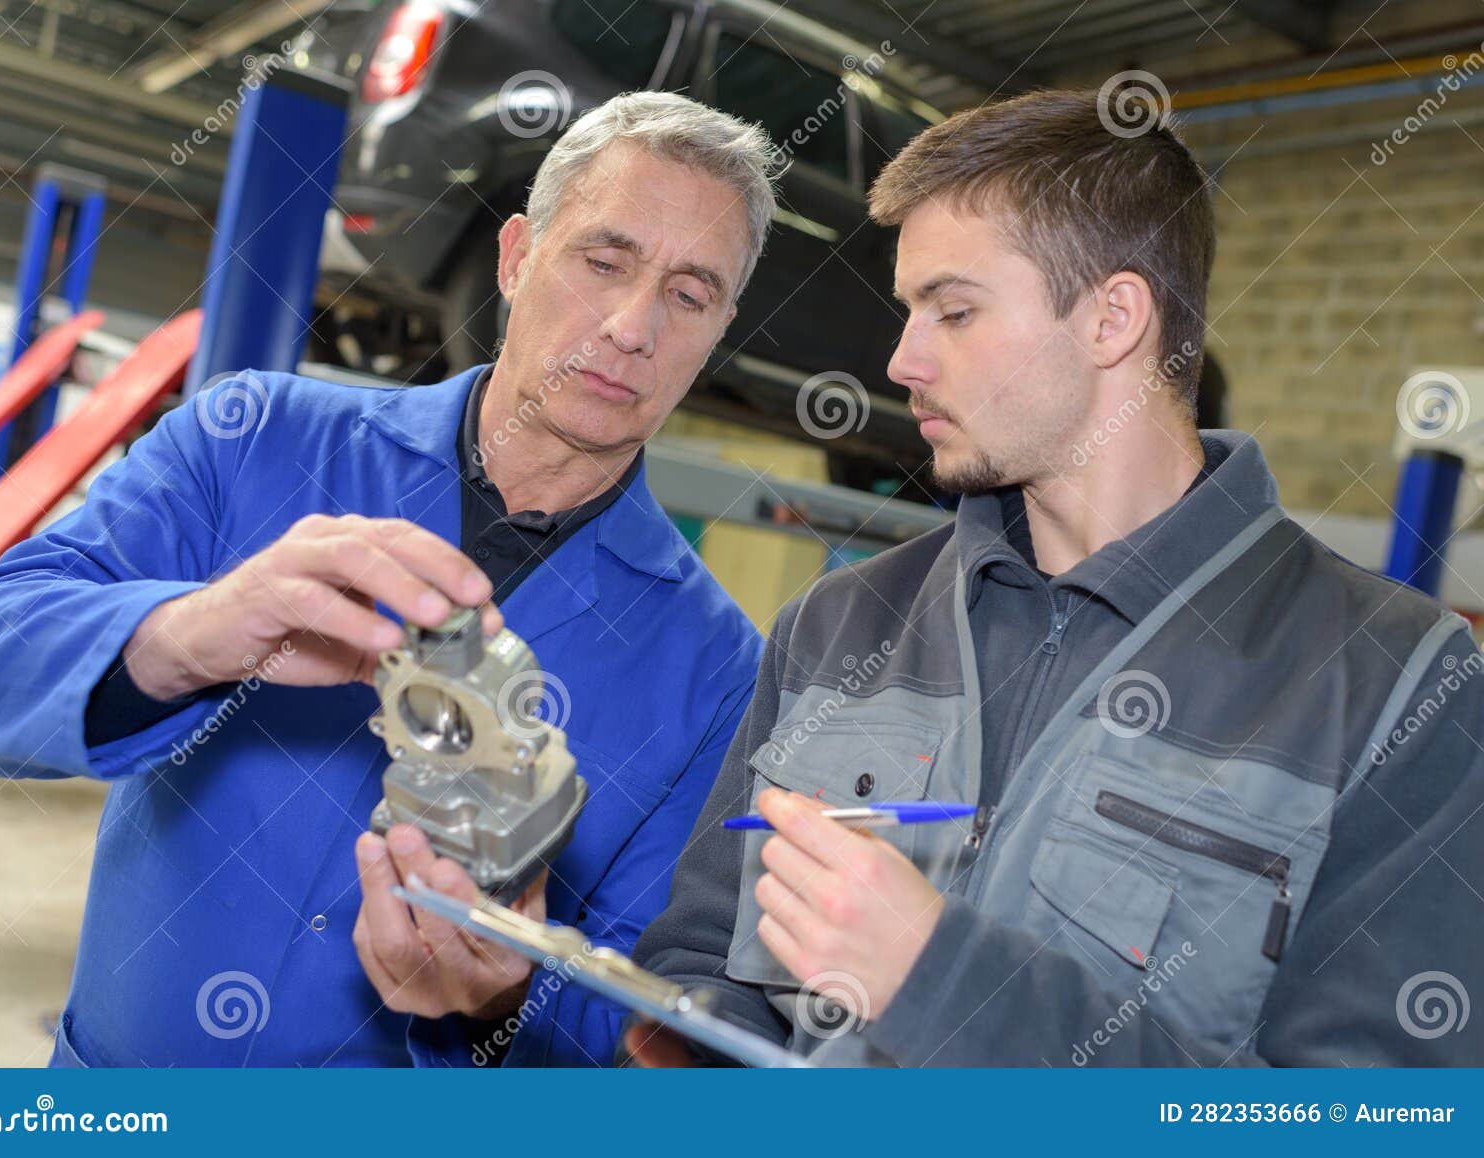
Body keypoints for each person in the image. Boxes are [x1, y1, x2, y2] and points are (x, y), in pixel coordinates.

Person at [625, 88, 1484, 1067]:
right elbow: (698, 962)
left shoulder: (1392, 686)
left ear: (1112, 319)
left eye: (953, 310)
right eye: (910, 312)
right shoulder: (837, 626)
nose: (902, 360)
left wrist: (944, 981)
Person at [0, 91, 774, 1067]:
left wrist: (500, 1001)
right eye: (604, 260)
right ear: (514, 257)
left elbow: (644, 1023)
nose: (632, 326)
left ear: (718, 330)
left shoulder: (718, 675)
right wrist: (185, 633)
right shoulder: (247, 440)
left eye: (688, 293)